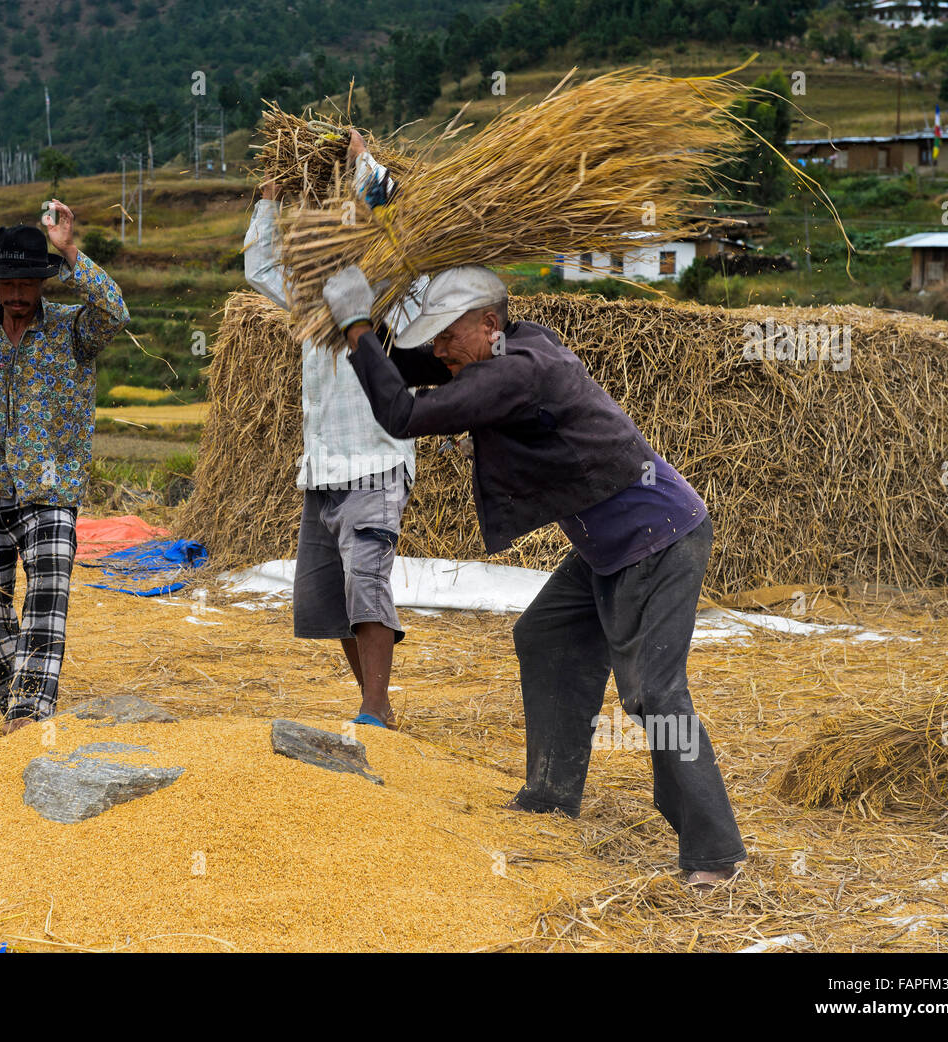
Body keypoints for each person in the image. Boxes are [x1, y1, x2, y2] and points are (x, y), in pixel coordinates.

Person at [321, 263, 746, 887]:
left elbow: (402, 414)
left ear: (490, 323)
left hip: (658, 537)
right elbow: (409, 369)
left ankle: (715, 852)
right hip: (607, 546)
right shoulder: (511, 347)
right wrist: (369, 316)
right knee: (545, 636)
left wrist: (358, 323)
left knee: (654, 694)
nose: (440, 352)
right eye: (434, 340)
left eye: (448, 337)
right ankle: (551, 795)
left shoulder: (519, 370)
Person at [0, 200, 129, 733]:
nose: (16, 295)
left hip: (50, 490)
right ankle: (23, 705)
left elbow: (115, 312)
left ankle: (27, 718)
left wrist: (69, 249)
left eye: (27, 284)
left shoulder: (73, 331)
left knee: (45, 601)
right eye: (7, 283)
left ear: (44, 282)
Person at [244, 132, 426, 730]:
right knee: (324, 595)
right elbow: (260, 265)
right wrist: (271, 199)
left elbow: (392, 212)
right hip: (322, 466)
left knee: (366, 578)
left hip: (373, 456)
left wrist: (361, 167)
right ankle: (379, 703)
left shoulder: (398, 290)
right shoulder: (309, 295)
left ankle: (375, 707)